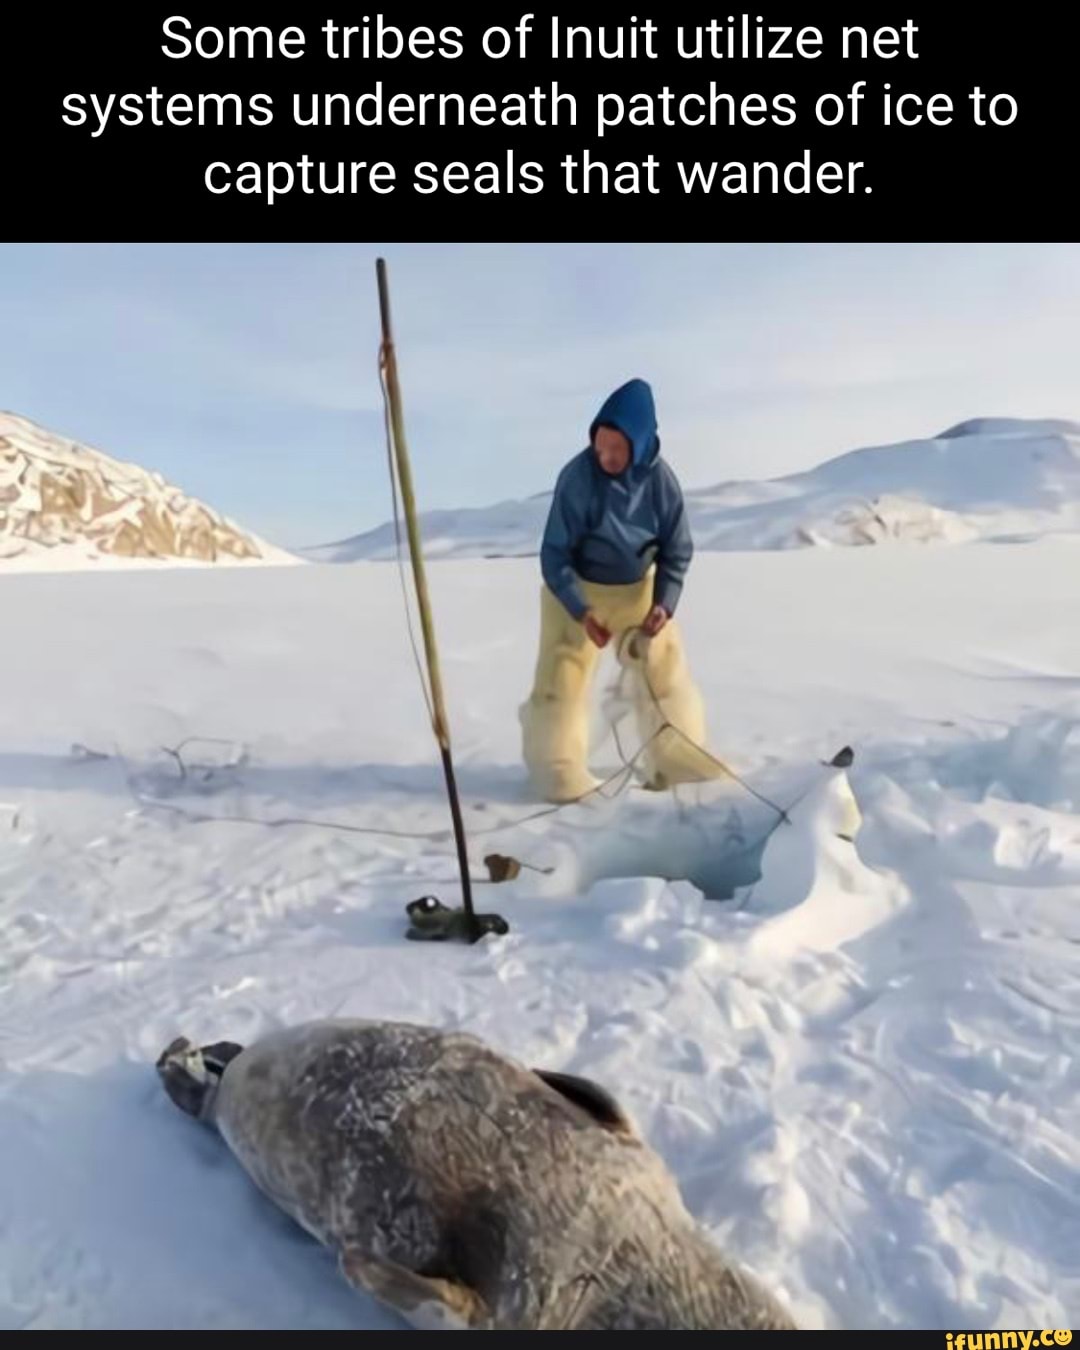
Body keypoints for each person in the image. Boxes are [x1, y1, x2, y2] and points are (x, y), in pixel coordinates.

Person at [519, 378, 724, 803]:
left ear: (640, 442)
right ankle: (557, 771)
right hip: (575, 588)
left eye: (616, 447)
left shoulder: (661, 484)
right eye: (600, 446)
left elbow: (677, 549)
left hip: (637, 590)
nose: (606, 456)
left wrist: (663, 604)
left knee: (661, 667)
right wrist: (580, 610)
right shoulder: (577, 478)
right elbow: (554, 554)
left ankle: (677, 759)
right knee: (562, 675)